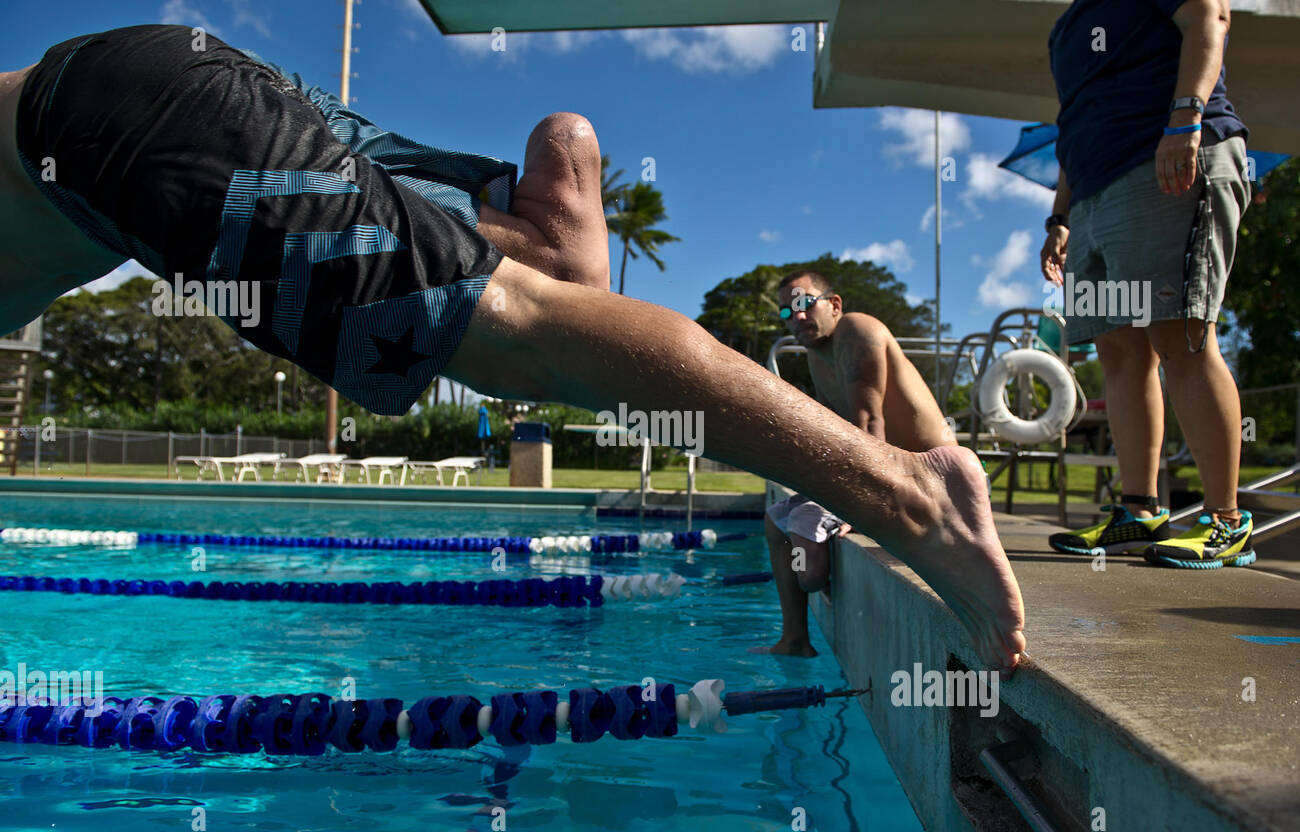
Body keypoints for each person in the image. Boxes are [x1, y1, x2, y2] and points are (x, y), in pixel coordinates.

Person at [0, 25, 1026, 673]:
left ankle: (908, 493)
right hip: (165, 89)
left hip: (118, 132)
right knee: (550, 283)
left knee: (520, 337)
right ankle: (539, 215)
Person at [1041, 0, 1254, 569]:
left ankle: (1225, 521)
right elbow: (1074, 118)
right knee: (1117, 349)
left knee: (1180, 335)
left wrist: (1184, 119)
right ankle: (1138, 511)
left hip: (1167, 159)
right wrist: (1060, 217)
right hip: (1091, 196)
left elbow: (1210, 16)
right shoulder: (1066, 28)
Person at [756, 270, 957, 656]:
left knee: (811, 573)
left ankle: (811, 601)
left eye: (803, 304)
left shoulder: (855, 331)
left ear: (834, 304)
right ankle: (794, 639)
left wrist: (863, 504)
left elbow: (868, 422)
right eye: (785, 312)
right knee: (775, 519)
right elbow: (838, 438)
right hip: (896, 471)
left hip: (935, 476)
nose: (795, 318)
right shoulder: (818, 358)